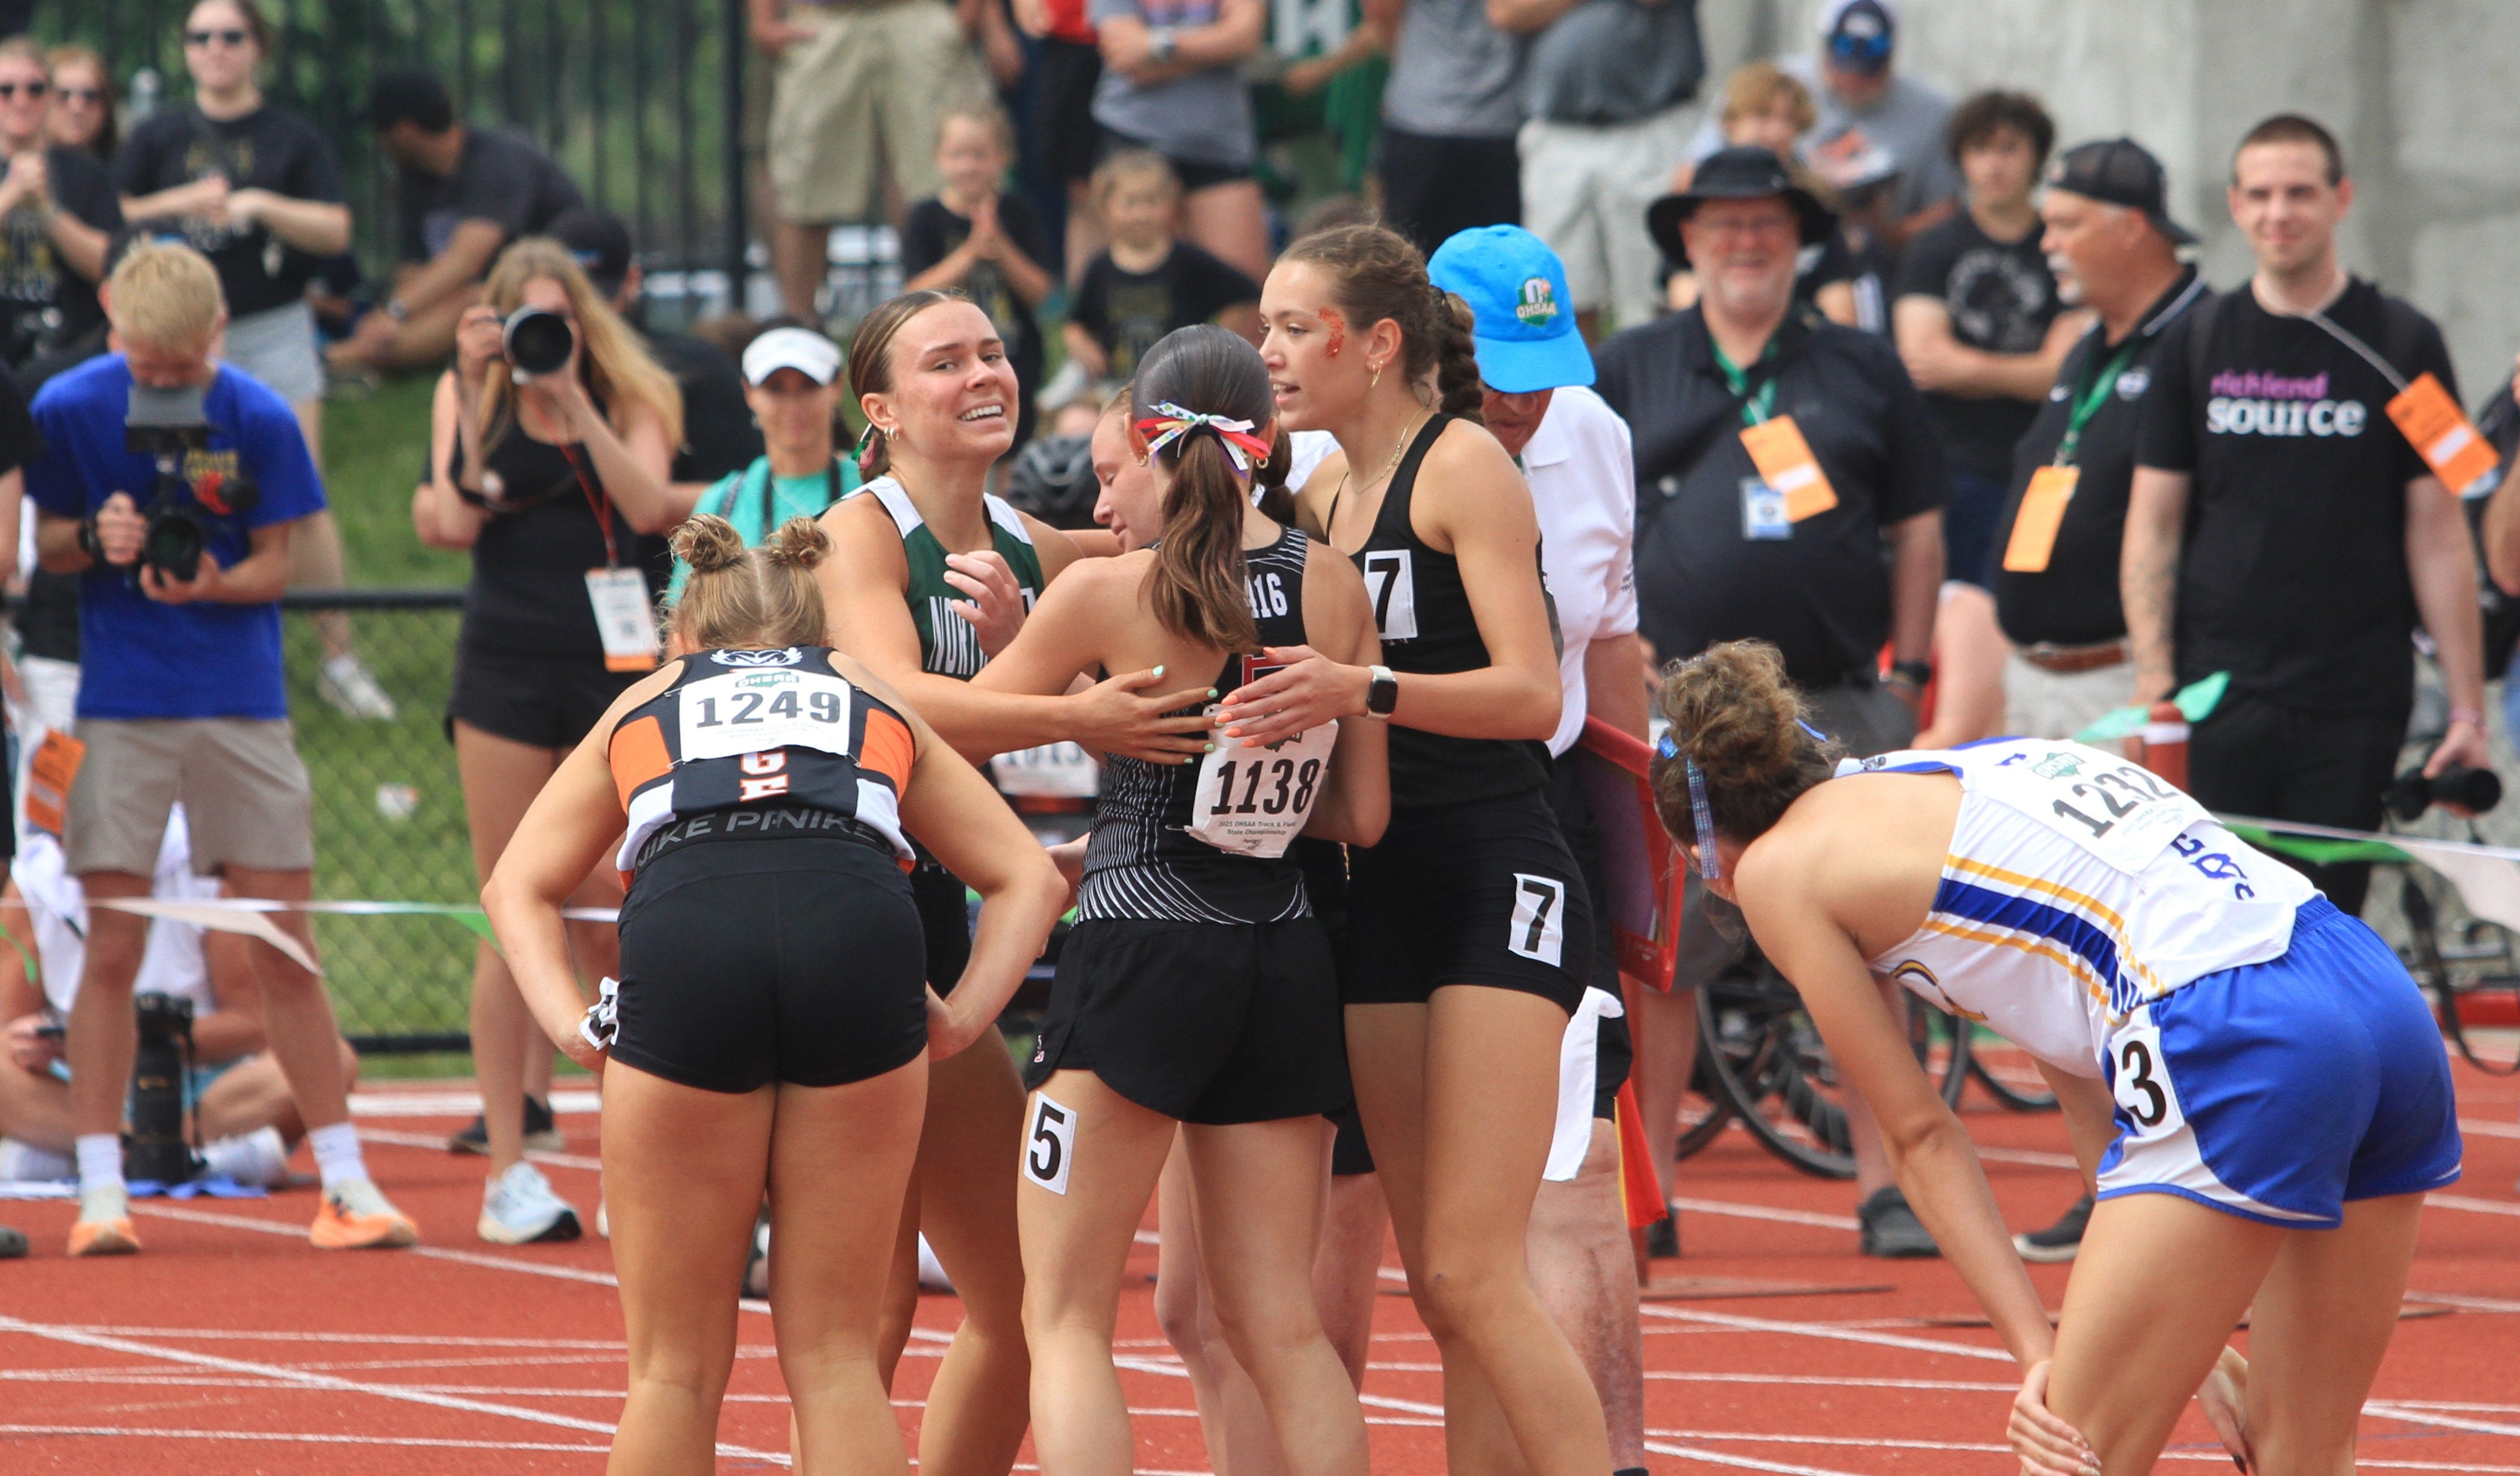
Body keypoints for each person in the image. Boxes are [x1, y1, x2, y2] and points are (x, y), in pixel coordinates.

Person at [1652, 638, 2460, 1476]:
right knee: (2304, 1451)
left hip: (2233, 1024)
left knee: (2070, 1458)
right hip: (2369, 988)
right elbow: (2084, 1079)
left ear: (1704, 854)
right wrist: (2189, 1342)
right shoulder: (1960, 770)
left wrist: (2038, 1354)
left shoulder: (1775, 869)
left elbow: (1918, 1135)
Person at [483, 513, 1068, 1475]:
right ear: (819, 631)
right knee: (836, 1358)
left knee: (671, 1372)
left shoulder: (652, 697)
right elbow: (1030, 879)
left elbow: (517, 884)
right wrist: (963, 1019)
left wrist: (574, 1026)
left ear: (683, 633)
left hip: (692, 930)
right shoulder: (859, 686)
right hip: (857, 935)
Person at [1217, 221, 1611, 1476]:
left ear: (1376, 342)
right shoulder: (1321, 490)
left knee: (1471, 1267)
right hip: (1379, 883)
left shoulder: (1464, 465)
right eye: (1265, 327)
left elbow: (1532, 694)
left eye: (1294, 327)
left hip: (1497, 874)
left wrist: (1365, 685)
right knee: (1443, 1288)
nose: (1269, 352)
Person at [972, 322, 1387, 1476]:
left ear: (1153, 447)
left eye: (1115, 474)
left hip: (1136, 950)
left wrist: (1075, 711)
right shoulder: (1333, 582)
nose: (1104, 502)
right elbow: (1361, 816)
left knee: (1061, 1317)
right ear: (1267, 437)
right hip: (1281, 949)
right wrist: (1235, 777)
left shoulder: (1107, 594)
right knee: (1281, 1328)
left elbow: (942, 729)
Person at [815, 287, 1212, 1476]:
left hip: (933, 916)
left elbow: (1173, 549)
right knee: (871, 1308)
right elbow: (889, 701)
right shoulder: (858, 535)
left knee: (1015, 1299)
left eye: (992, 351)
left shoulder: (1023, 539)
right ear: (881, 409)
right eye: (945, 361)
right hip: (843, 914)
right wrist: (1072, 712)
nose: (984, 373)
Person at [1592, 145, 1946, 1257]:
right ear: (1688, 242)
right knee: (1664, 960)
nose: (1744, 242)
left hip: (1837, 703)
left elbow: (1919, 529)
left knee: (1866, 946)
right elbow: (1577, 515)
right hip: (1679, 712)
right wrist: (1616, 648)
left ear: (1797, 240)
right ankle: (1649, 1197)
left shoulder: (1863, 365)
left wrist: (1910, 675)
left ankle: (1889, 1187)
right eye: (1723, 225)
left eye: (1765, 224)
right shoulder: (1630, 364)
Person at [28, 239, 414, 1256]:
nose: (162, 381)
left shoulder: (261, 413)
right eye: (144, 365)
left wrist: (212, 581)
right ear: (112, 326)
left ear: (217, 335)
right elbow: (47, 545)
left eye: (181, 365)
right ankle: (101, 1192)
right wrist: (98, 537)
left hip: (242, 701)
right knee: (112, 945)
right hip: (119, 704)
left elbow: (280, 565)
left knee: (285, 943)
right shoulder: (68, 405)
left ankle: (347, 1182)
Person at [2127, 113, 2489, 917]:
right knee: (2215, 923)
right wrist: (2155, 684)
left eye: (2299, 193)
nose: (2278, 212)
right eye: (2259, 195)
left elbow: (2439, 534)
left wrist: (2468, 707)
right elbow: (2152, 522)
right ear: (2234, 205)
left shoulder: (2403, 341)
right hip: (2214, 692)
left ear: (2340, 199)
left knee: (2323, 921)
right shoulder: (2196, 341)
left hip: (2354, 697)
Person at [1427, 222, 1649, 1472]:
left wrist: (1642, 858)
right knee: (1375, 1197)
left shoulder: (1593, 434)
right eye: (1495, 375)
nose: (1522, 401)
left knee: (1576, 1165)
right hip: (1382, 810)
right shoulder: (1339, 450)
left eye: (1543, 370)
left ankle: (1615, 1460)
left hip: (1537, 804)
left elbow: (1610, 642)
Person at [414, 236, 685, 1244]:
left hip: (613, 671)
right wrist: (472, 387)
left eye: (558, 319)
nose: (543, 337)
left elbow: (647, 506)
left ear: (585, 318)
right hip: (505, 667)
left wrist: (572, 399)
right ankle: (508, 1167)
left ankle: (632, 1149)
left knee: (619, 906)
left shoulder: (633, 393)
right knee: (511, 899)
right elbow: (452, 520)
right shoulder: (469, 396)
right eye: (526, 320)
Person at [1984, 136, 2207, 1268]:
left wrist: (2160, 689)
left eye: (2065, 221)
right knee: (2062, 950)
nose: (2046, 243)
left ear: (2131, 227)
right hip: (2040, 681)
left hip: (2125, 684)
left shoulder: (2199, 340)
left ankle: (2167, 1175)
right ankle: (2108, 1172)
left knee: (2133, 944)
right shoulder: (2086, 347)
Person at [116, 0, 394, 724]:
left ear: (257, 47)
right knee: (169, 480)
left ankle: (338, 658)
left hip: (271, 326)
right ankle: (177, 644)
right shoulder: (158, 134)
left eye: (230, 35)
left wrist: (259, 205)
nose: (214, 48)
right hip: (175, 339)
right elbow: (114, 214)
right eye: (199, 36)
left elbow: (335, 229)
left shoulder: (290, 136)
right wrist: (187, 201)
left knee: (300, 491)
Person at [0, 809, 355, 1193]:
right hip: (76, 1084)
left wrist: (127, 1041)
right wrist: (30, 1039)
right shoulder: (35, 881)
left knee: (334, 1061)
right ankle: (188, 1158)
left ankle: (107, 1153)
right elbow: (8, 1024)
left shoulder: (208, 874)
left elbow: (255, 1022)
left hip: (203, 1085)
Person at [1891, 89, 2078, 748]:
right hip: (1952, 472)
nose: (1994, 164)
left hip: (2043, 472)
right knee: (1954, 624)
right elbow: (1920, 359)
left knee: (2030, 627)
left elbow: (2067, 373)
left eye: (2008, 148)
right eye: (1979, 149)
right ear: (1960, 160)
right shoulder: (1935, 246)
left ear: (2035, 159)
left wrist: (1966, 366)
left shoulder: (2061, 243)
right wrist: (2030, 369)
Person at [751, 0, 995, 322]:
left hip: (917, 15)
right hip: (823, 20)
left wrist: (971, 16)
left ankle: (942, 324)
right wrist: (763, 18)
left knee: (937, 183)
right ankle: (798, 332)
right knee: (806, 185)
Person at [333, 69, 585, 375]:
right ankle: (363, 353)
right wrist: (396, 315)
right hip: (473, 291)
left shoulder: (498, 158)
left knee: (476, 298)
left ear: (404, 131)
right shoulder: (416, 179)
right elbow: (412, 270)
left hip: (548, 286)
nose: (380, 142)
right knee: (454, 295)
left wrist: (394, 311)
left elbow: (466, 260)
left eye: (381, 130)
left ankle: (345, 358)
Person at [1499, 0, 1702, 339]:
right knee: (1556, 301)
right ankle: (1577, 376)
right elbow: (1506, 11)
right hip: (1558, 132)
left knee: (1654, 297)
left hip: (1651, 124)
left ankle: (1650, 376)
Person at [1694, 0, 1957, 257]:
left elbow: (1947, 213)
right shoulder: (1776, 82)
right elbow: (1690, 173)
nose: (1853, 80)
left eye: (1867, 70)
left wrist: (1876, 232)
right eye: (1765, 117)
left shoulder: (1933, 111)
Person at [545, 208, 763, 505]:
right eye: (567, 308)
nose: (587, 318)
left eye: (596, 300)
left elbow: (747, 493)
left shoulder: (693, 370)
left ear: (632, 281)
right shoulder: (518, 374)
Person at [1661, 62, 1865, 329]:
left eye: (1788, 120)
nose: (1777, 131)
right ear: (1730, 124)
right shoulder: (1697, 200)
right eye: (1763, 116)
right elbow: (1683, 294)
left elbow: (1841, 308)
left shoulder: (1814, 202)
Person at [667, 324, 860, 604]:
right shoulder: (722, 502)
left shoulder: (874, 485)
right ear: (749, 393)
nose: (793, 406)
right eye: (775, 389)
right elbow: (684, 615)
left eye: (808, 387)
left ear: (836, 388)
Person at [902, 107, 1053, 450]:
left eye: (980, 155)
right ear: (939, 158)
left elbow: (1040, 293)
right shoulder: (925, 217)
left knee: (1011, 440)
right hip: (945, 360)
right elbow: (914, 293)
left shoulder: (1020, 213)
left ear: (1003, 158)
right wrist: (971, 251)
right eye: (958, 155)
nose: (968, 166)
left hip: (1014, 353)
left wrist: (1000, 245)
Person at [1088, 0, 1271, 282]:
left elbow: (1246, 38)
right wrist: (1217, 48)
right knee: (1136, 285)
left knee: (1244, 288)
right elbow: (1130, 61)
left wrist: (1154, 46)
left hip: (1219, 144)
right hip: (1134, 138)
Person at [1063, 150, 1260, 385]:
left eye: (1151, 202)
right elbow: (1076, 321)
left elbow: (1247, 293)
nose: (1141, 215)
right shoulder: (1100, 268)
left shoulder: (1189, 261)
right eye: (1130, 203)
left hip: (1180, 385)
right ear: (1106, 207)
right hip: (1116, 385)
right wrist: (1082, 346)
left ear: (1171, 203)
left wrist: (1214, 340)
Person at [0, 39, 118, 391]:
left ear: (51, 97)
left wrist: (47, 211)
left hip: (70, 358)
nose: (21, 100)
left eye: (35, 89)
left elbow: (111, 266)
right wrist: (10, 196)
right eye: (6, 90)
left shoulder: (86, 172)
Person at [1372, 0, 1524, 258]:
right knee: (1496, 260)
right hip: (1492, 122)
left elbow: (1381, 11)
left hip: (1435, 118)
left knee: (1409, 261)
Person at [1011, 0, 1106, 282]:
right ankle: (1087, 303)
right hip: (1069, 40)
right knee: (1081, 189)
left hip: (1156, 33)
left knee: (1153, 182)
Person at [44, 45, 115, 159]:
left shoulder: (127, 166)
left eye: (90, 96)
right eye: (64, 95)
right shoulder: (19, 168)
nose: (77, 108)